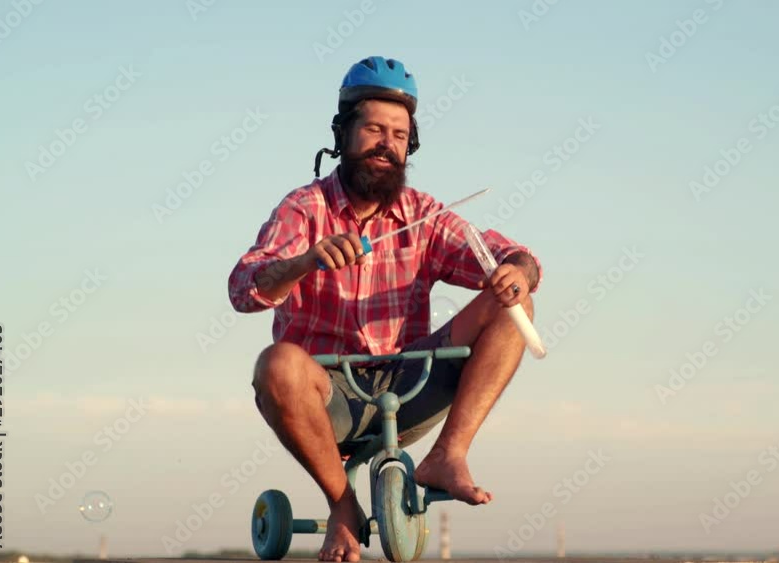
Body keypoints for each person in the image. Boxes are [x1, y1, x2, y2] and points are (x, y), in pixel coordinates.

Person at [227, 56, 542, 562]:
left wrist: (517, 270)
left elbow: (509, 255)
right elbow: (243, 289)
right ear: (344, 133)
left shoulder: (421, 213)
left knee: (513, 303)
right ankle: (343, 507)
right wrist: (303, 262)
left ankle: (447, 456)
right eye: (373, 128)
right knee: (275, 363)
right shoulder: (303, 208)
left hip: (408, 383)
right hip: (327, 398)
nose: (386, 143)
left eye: (398, 134)